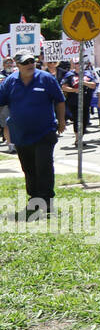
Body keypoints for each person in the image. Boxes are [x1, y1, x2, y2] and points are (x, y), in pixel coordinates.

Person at [0, 52, 67, 217]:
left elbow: (59, 100)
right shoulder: (10, 82)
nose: (30, 65)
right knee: (28, 168)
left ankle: (47, 201)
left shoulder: (46, 78)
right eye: (26, 62)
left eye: (32, 61)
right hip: (21, 134)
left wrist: (62, 121)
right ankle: (35, 199)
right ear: (18, 65)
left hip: (45, 131)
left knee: (43, 165)